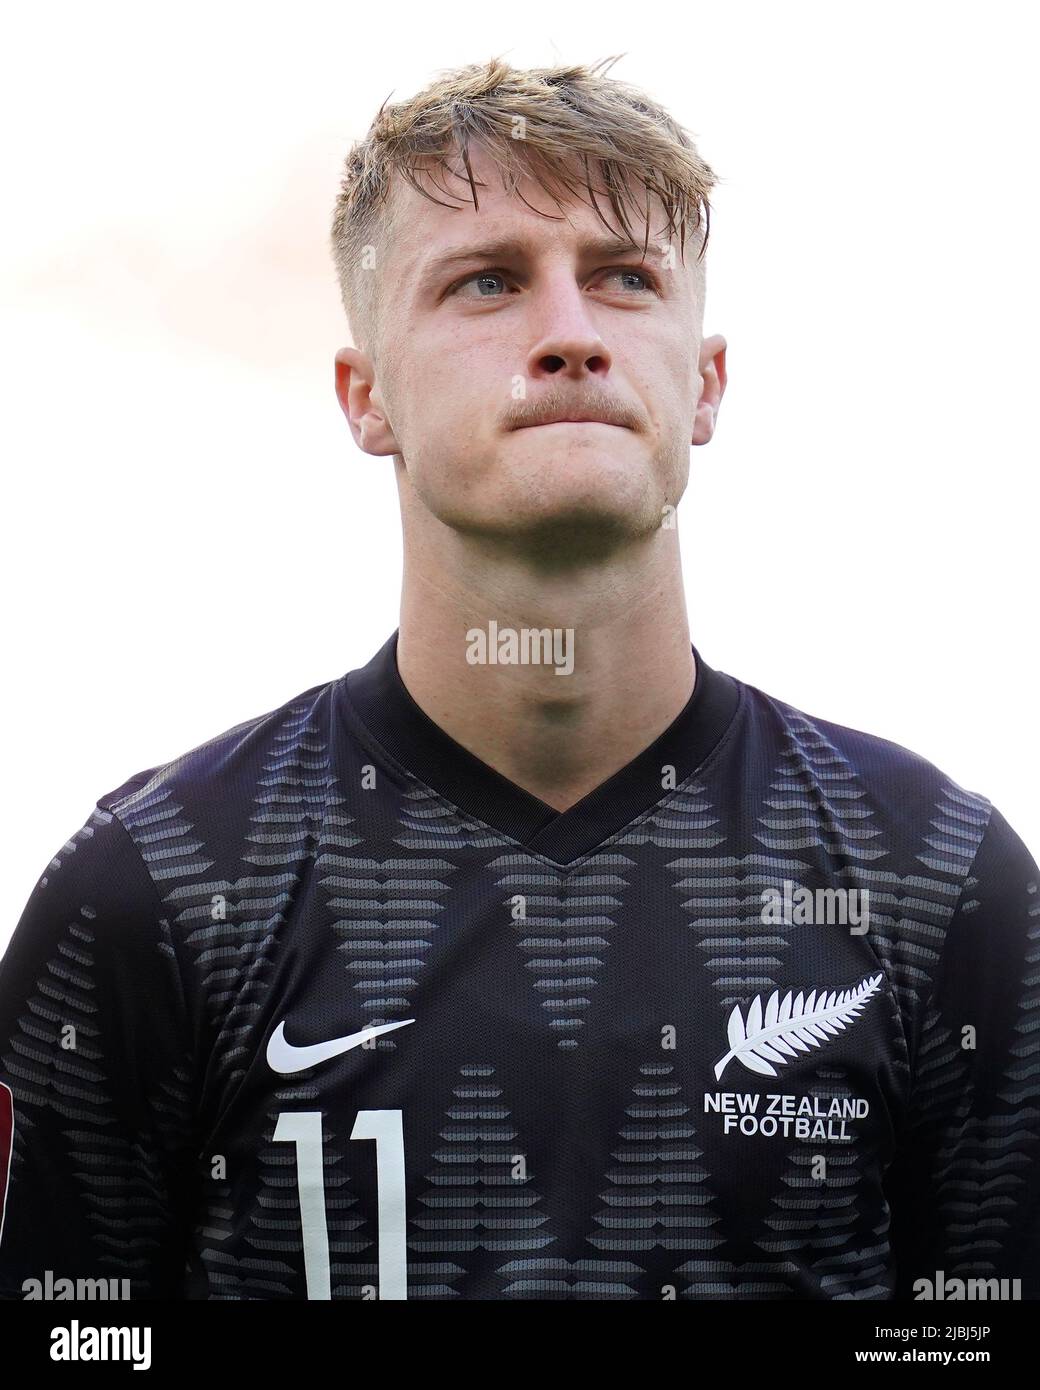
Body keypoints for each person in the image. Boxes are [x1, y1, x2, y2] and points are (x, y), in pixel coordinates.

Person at [1, 56, 1037, 1303]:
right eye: (487, 281)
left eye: (625, 279)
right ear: (364, 394)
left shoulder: (937, 880)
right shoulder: (155, 890)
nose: (569, 335)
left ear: (703, 385)